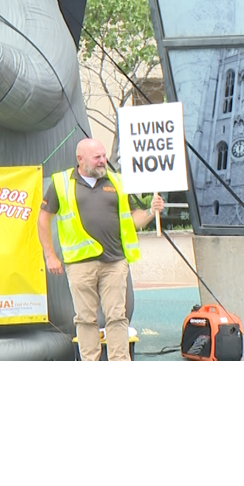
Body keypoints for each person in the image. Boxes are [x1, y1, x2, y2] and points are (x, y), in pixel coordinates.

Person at [37, 138, 164, 361]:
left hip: (114, 262)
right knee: (85, 319)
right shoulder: (61, 183)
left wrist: (151, 212)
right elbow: (43, 219)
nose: (103, 160)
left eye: (104, 156)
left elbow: (132, 219)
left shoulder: (116, 182)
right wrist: (50, 255)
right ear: (80, 159)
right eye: (97, 157)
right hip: (79, 264)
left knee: (117, 317)